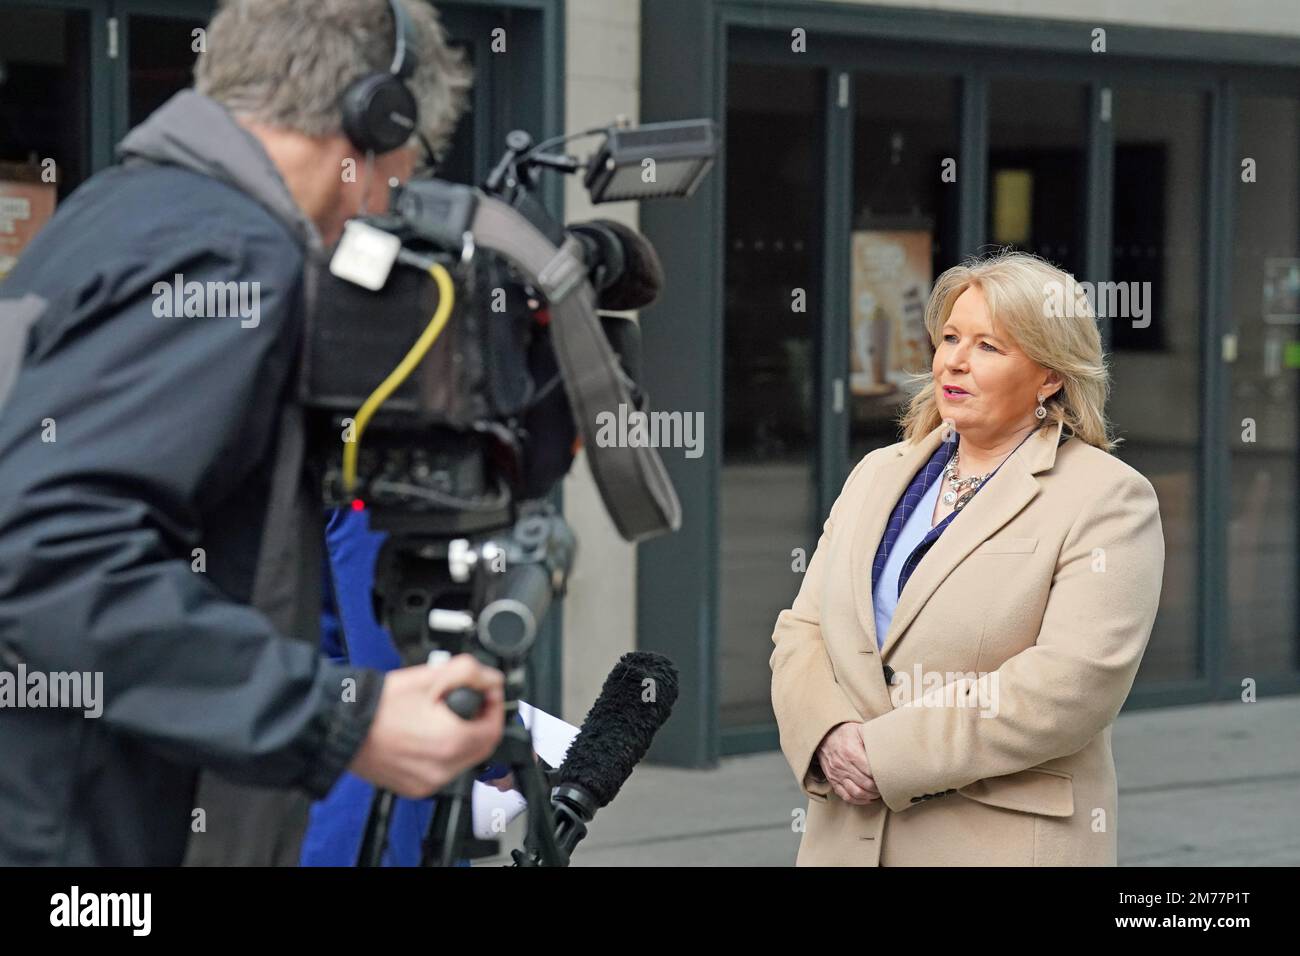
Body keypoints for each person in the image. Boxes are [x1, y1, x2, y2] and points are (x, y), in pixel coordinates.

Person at [0, 0, 502, 865]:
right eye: (407, 162)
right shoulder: (230, 252)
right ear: (375, 118)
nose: (393, 196)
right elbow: (48, 552)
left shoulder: (112, 210)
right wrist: (337, 722)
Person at [771, 250, 1165, 866]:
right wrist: (826, 734)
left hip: (996, 842)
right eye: (951, 337)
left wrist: (887, 755)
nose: (954, 360)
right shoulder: (877, 473)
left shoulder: (1107, 497)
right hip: (845, 840)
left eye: (989, 346)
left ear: (1050, 376)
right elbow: (803, 629)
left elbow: (1071, 684)